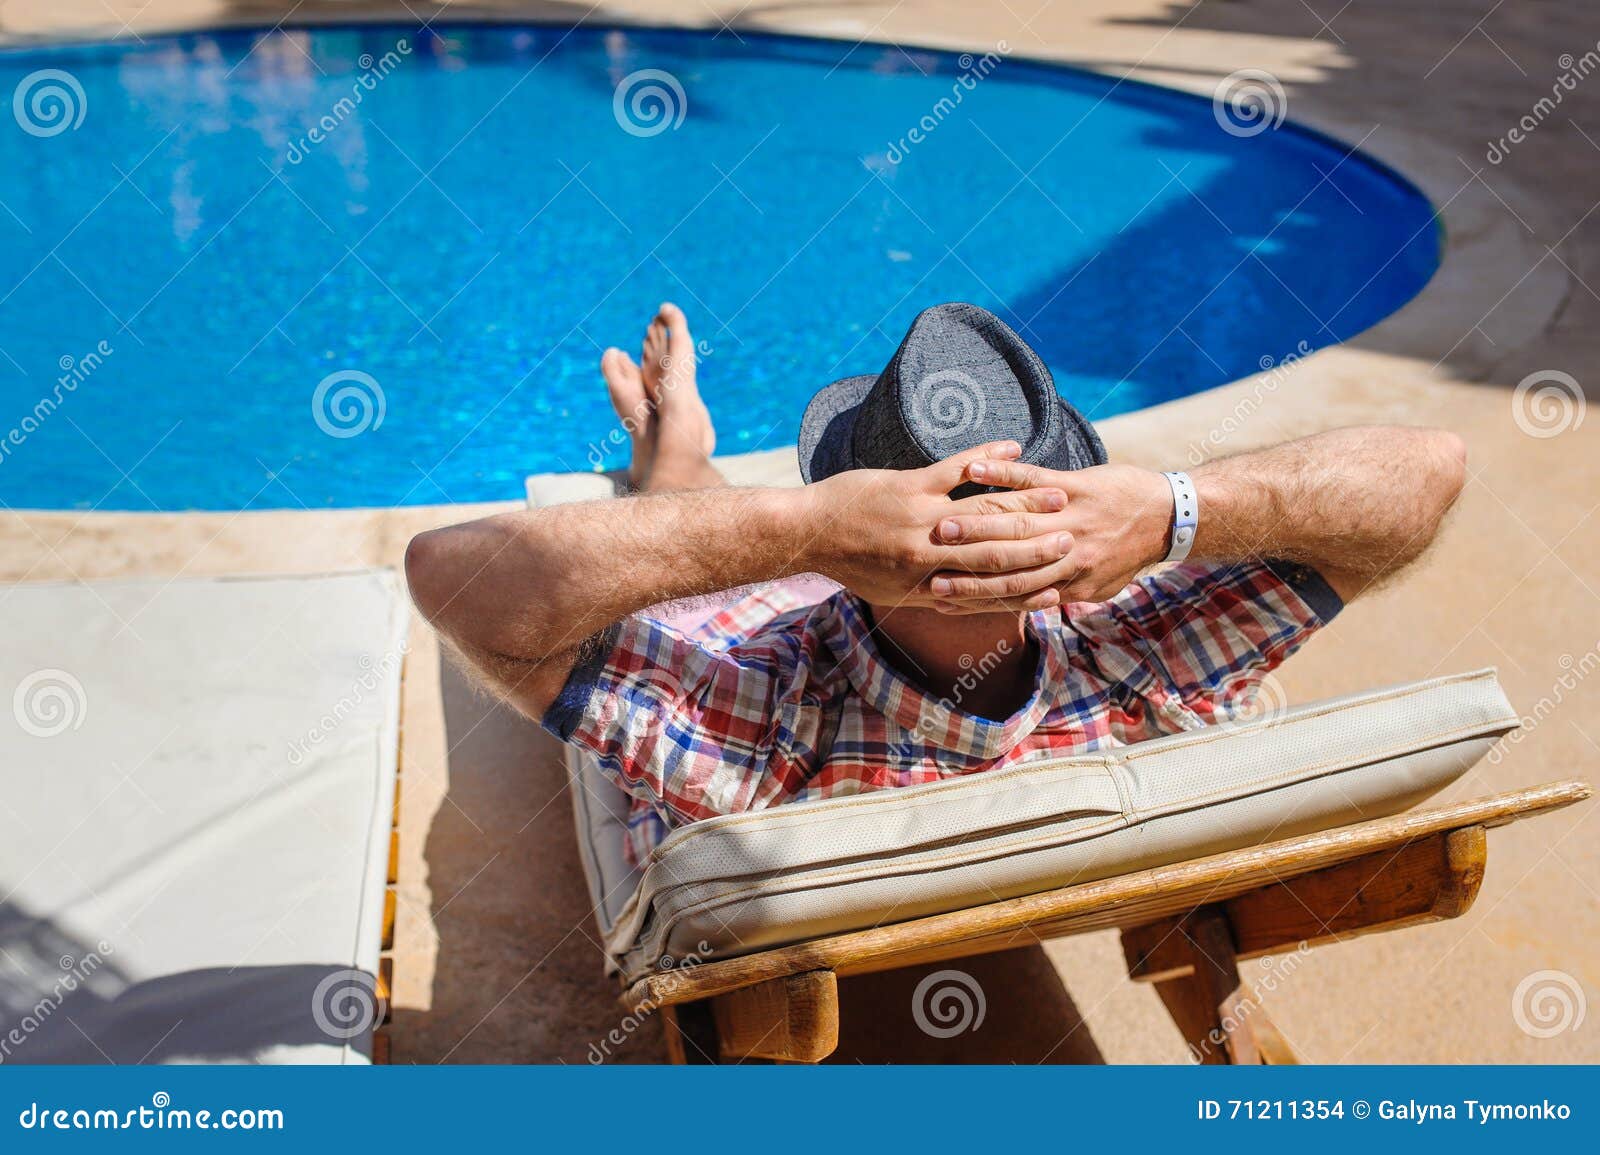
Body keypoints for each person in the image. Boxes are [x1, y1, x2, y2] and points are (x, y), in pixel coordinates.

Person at [406, 302, 1466, 863]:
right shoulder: (1144, 664)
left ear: (860, 531)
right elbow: (1428, 471)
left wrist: (803, 528)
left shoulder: (761, 729)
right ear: (1071, 511)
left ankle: (673, 450)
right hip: (850, 617)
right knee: (683, 527)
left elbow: (453, 578)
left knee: (678, 551)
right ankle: (673, 448)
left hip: (736, 623)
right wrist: (1172, 513)